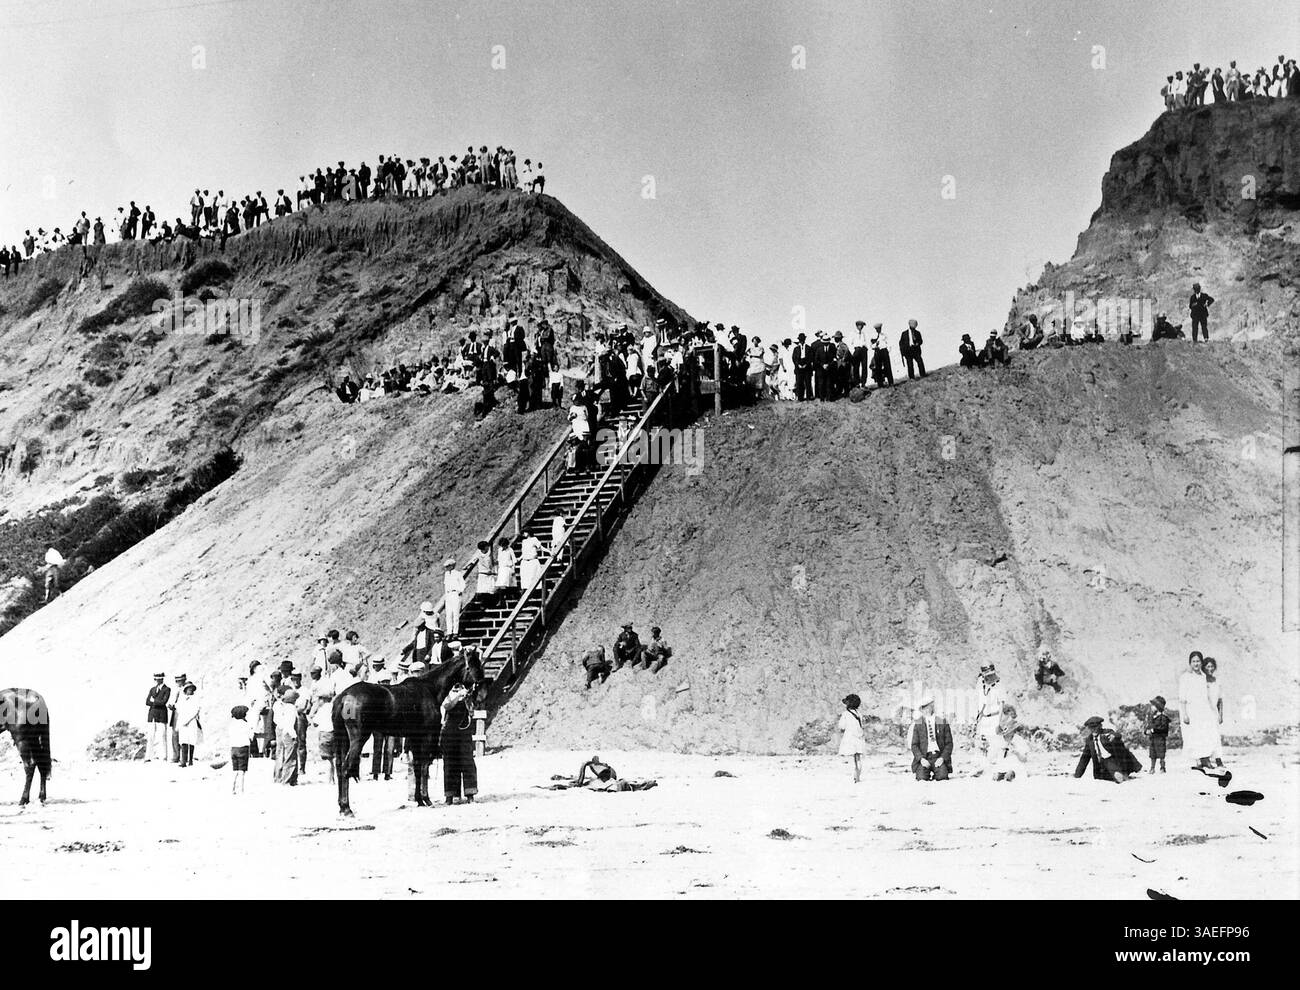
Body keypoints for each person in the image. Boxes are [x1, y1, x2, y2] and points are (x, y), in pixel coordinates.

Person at [1178, 651, 1218, 770]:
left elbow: (1207, 695)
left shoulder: (1203, 676)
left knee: (1205, 734)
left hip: (1203, 709)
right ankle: (1194, 761)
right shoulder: (1185, 677)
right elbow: (1182, 697)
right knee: (1192, 735)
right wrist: (1184, 714)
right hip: (1190, 710)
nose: (1196, 664)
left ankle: (1205, 759)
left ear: (1201, 662)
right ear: (1190, 663)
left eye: (1198, 661)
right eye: (1193, 661)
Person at [440, 683, 478, 804]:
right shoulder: (447, 692)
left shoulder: (466, 692)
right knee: (450, 763)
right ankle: (450, 795)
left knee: (467, 761)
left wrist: (467, 698)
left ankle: (470, 794)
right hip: (450, 731)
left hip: (464, 731)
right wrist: (457, 696)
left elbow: (472, 711)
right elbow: (447, 706)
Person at [1073, 716, 1141, 782]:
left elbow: (1116, 734)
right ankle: (1120, 775)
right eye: (1091, 728)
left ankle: (1120, 774)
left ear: (1100, 726)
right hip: (1100, 765)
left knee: (1113, 768)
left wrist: (1114, 736)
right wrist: (1077, 775)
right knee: (1103, 777)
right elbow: (1084, 758)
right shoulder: (1090, 740)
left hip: (1113, 761)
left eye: (1095, 727)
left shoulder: (1106, 733)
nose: (1093, 730)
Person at [970, 663, 1004, 776]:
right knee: (982, 744)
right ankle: (981, 767)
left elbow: (1002, 704)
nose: (988, 677)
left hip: (994, 717)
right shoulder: (980, 683)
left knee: (996, 744)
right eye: (986, 674)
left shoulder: (999, 685)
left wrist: (999, 722)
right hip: (984, 718)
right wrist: (976, 719)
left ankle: (997, 769)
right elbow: (978, 701)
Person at [909, 695, 953, 781]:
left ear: (932, 706)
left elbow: (949, 744)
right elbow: (914, 745)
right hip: (925, 757)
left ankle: (939, 771)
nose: (926, 710)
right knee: (921, 777)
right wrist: (921, 759)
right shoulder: (918, 724)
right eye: (923, 708)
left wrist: (942, 758)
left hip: (938, 757)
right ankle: (924, 770)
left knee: (942, 776)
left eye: (927, 707)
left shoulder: (942, 722)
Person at [837, 694, 867, 783]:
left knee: (850, 758)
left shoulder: (846, 714)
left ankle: (853, 778)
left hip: (850, 738)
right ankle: (857, 777)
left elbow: (841, 726)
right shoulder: (859, 714)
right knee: (858, 759)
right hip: (859, 738)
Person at [1202, 657, 1226, 768]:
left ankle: (1218, 759)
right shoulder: (1201, 681)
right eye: (1207, 667)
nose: (1210, 669)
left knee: (1216, 736)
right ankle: (1205, 759)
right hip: (1204, 713)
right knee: (1206, 736)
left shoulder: (1217, 681)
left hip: (1214, 713)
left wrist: (1221, 715)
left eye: (1212, 667)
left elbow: (1220, 700)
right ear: (1204, 668)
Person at [274, 690, 299, 785]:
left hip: (282, 731)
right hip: (289, 733)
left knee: (281, 755)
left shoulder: (283, 707)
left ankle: (279, 777)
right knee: (290, 757)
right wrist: (294, 736)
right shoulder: (291, 708)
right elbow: (290, 723)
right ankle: (287, 779)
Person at [145, 672, 171, 761]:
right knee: (150, 736)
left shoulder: (167, 689)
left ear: (162, 679)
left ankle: (163, 756)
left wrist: (154, 701)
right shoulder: (152, 689)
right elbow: (147, 702)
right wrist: (156, 702)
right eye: (155, 679)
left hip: (161, 715)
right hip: (152, 715)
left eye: (159, 678)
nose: (157, 680)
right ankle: (148, 756)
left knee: (162, 736)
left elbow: (164, 702)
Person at [176, 682, 201, 768]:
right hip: (183, 722)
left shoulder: (195, 699)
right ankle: (183, 761)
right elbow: (179, 709)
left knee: (191, 740)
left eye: (191, 689)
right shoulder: (182, 699)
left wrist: (188, 720)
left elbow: (196, 710)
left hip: (191, 721)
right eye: (188, 689)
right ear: (185, 690)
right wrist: (182, 721)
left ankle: (190, 760)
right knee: (183, 741)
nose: (190, 691)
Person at [229, 705, 252, 794]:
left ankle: (232, 789)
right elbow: (251, 736)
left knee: (235, 770)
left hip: (233, 748)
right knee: (242, 771)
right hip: (243, 748)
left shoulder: (231, 724)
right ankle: (241, 790)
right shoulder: (246, 724)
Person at [1145, 695, 1171, 773]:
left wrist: (1153, 730)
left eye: (1153, 705)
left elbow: (1163, 728)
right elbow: (1148, 726)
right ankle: (1152, 768)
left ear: (1158, 707)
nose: (1151, 707)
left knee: (1161, 753)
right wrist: (1146, 731)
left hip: (1160, 738)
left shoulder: (1163, 717)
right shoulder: (1151, 717)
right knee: (1152, 754)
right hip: (1152, 738)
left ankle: (1162, 767)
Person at [442, 557, 466, 636]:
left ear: (452, 566)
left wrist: (460, 591)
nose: (446, 568)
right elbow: (446, 586)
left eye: (448, 566)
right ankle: (449, 632)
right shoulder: (446, 574)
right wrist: (446, 596)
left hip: (455, 594)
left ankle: (455, 632)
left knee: (455, 614)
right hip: (448, 595)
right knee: (448, 615)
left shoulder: (458, 574)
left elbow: (463, 584)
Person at [168, 674, 188, 763]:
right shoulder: (177, 690)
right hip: (176, 714)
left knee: (184, 736)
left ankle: (184, 757)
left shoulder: (188, 689)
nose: (178, 683)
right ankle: (176, 756)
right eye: (177, 681)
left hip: (184, 715)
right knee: (175, 735)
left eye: (180, 681)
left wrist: (175, 705)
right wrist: (171, 706)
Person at [519, 532, 545, 596]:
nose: (524, 533)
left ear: (529, 532)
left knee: (533, 577)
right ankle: (525, 594)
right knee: (525, 579)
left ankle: (535, 594)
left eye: (525, 532)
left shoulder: (534, 539)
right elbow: (524, 553)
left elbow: (541, 547)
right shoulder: (524, 541)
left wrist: (549, 552)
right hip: (525, 562)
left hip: (533, 561)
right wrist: (519, 559)